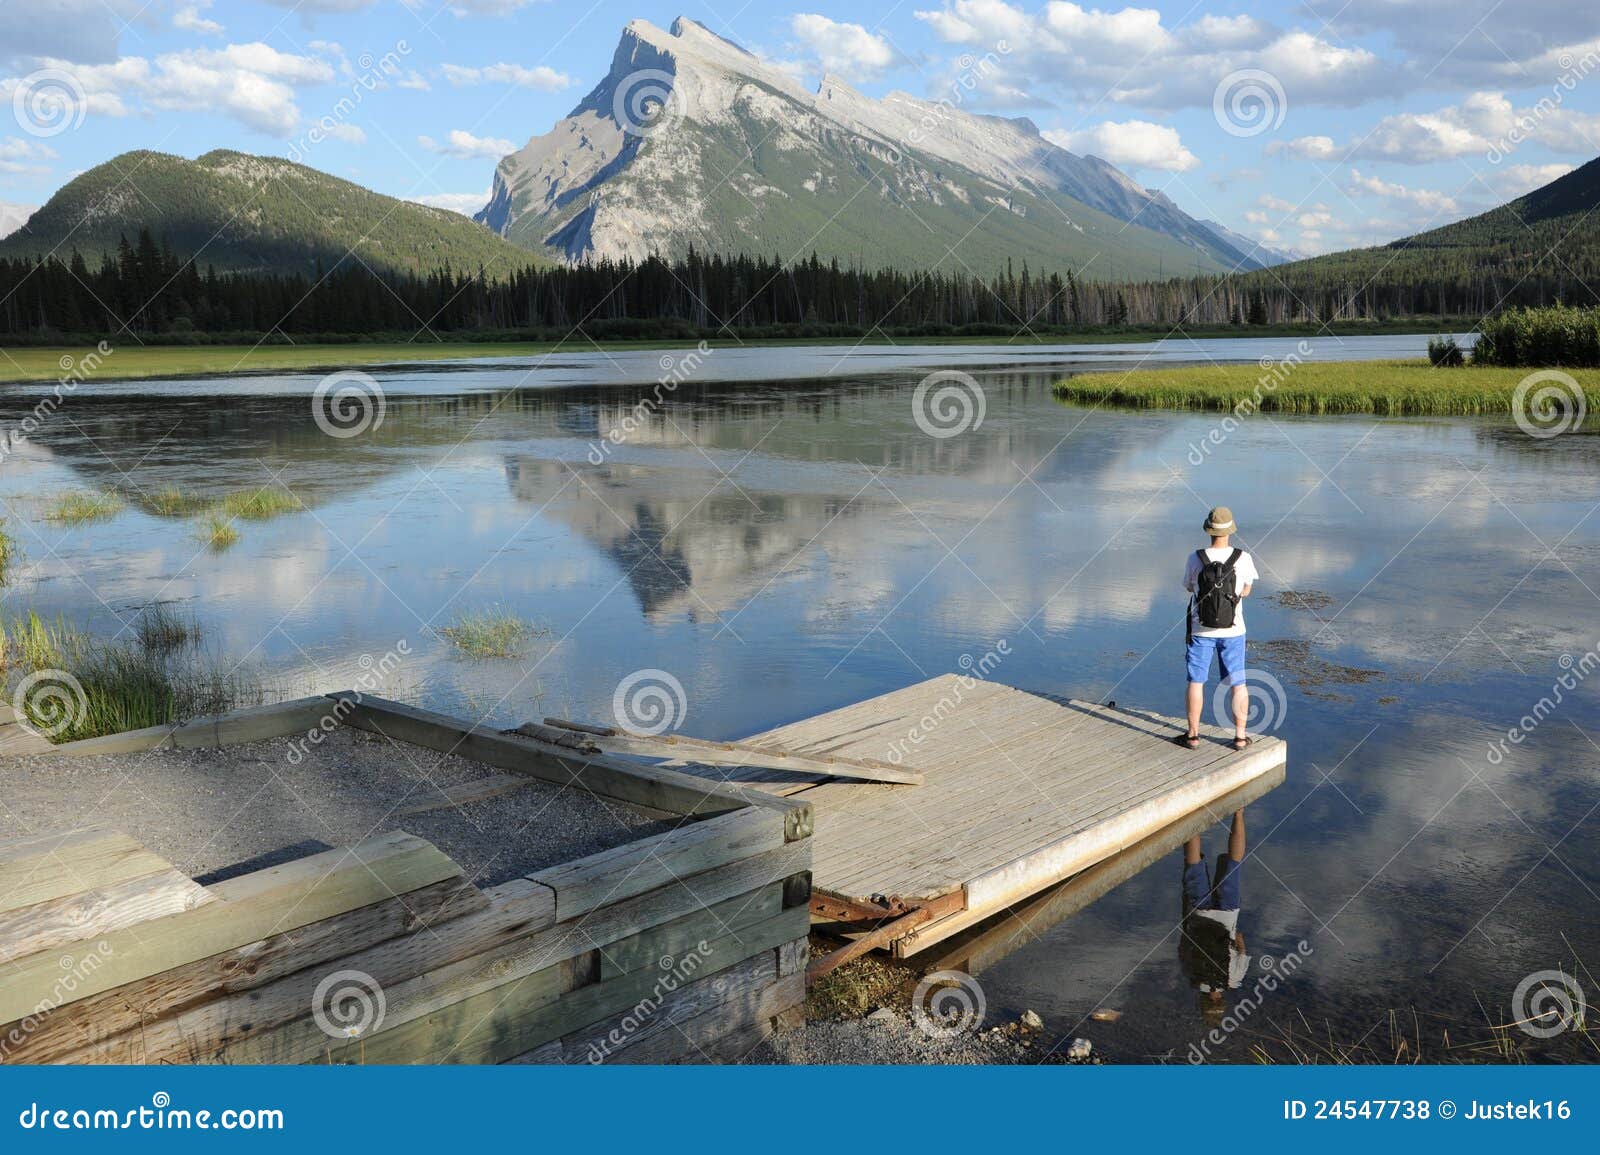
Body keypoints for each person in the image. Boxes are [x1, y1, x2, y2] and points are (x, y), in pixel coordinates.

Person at [1177, 506, 1259, 750]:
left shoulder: (1195, 557)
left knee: (1196, 681)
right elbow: (1246, 590)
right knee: (1238, 683)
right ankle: (1240, 737)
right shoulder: (1243, 558)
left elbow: (1189, 587)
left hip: (1200, 629)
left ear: (1208, 530)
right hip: (1233, 631)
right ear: (1230, 531)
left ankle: (1192, 736)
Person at [1177, 809, 1251, 1028]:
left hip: (1228, 914)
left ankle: (1238, 813)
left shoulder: (1234, 980)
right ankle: (1193, 813)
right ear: (1202, 1003)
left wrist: (1234, 936)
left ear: (1223, 1002)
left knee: (1234, 863)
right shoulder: (1192, 978)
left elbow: (1240, 942)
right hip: (1199, 914)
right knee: (1193, 864)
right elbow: (1184, 946)